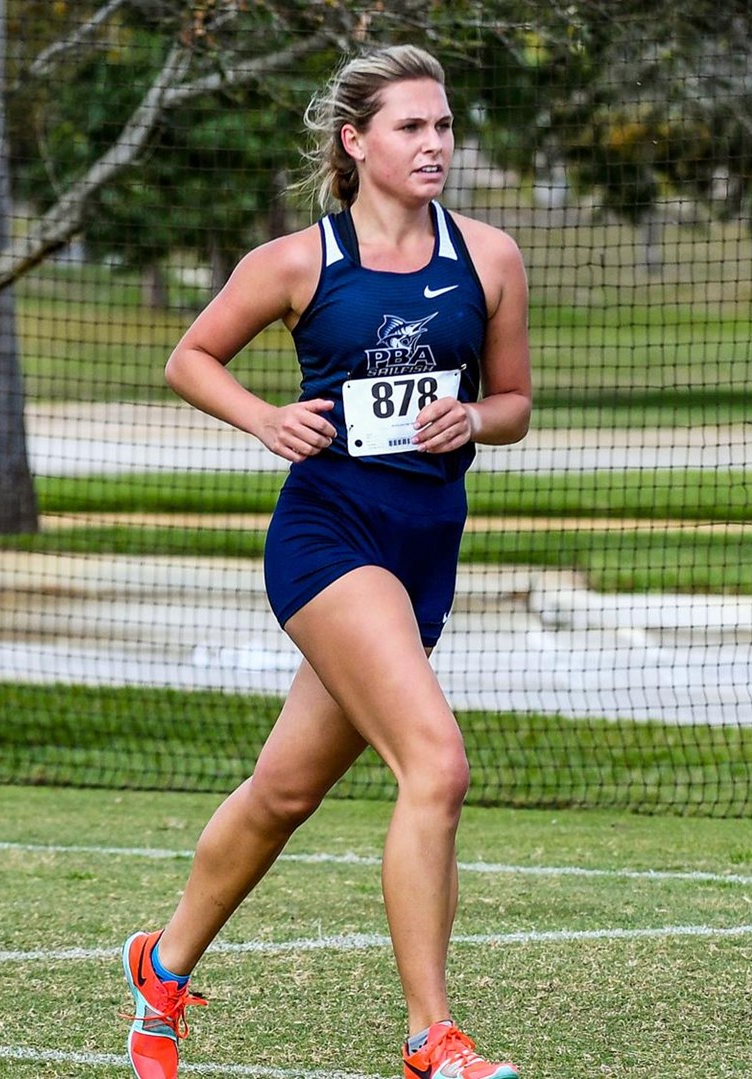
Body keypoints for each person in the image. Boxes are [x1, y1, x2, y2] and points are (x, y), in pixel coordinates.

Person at [120, 45, 531, 1079]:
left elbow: (517, 403)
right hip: (328, 539)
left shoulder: (489, 256)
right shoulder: (298, 261)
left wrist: (473, 414)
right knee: (435, 760)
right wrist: (266, 418)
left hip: (426, 550)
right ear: (357, 142)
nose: (435, 144)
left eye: (443, 126)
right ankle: (430, 1035)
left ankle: (160, 967)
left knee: (282, 792)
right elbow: (188, 358)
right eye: (411, 127)